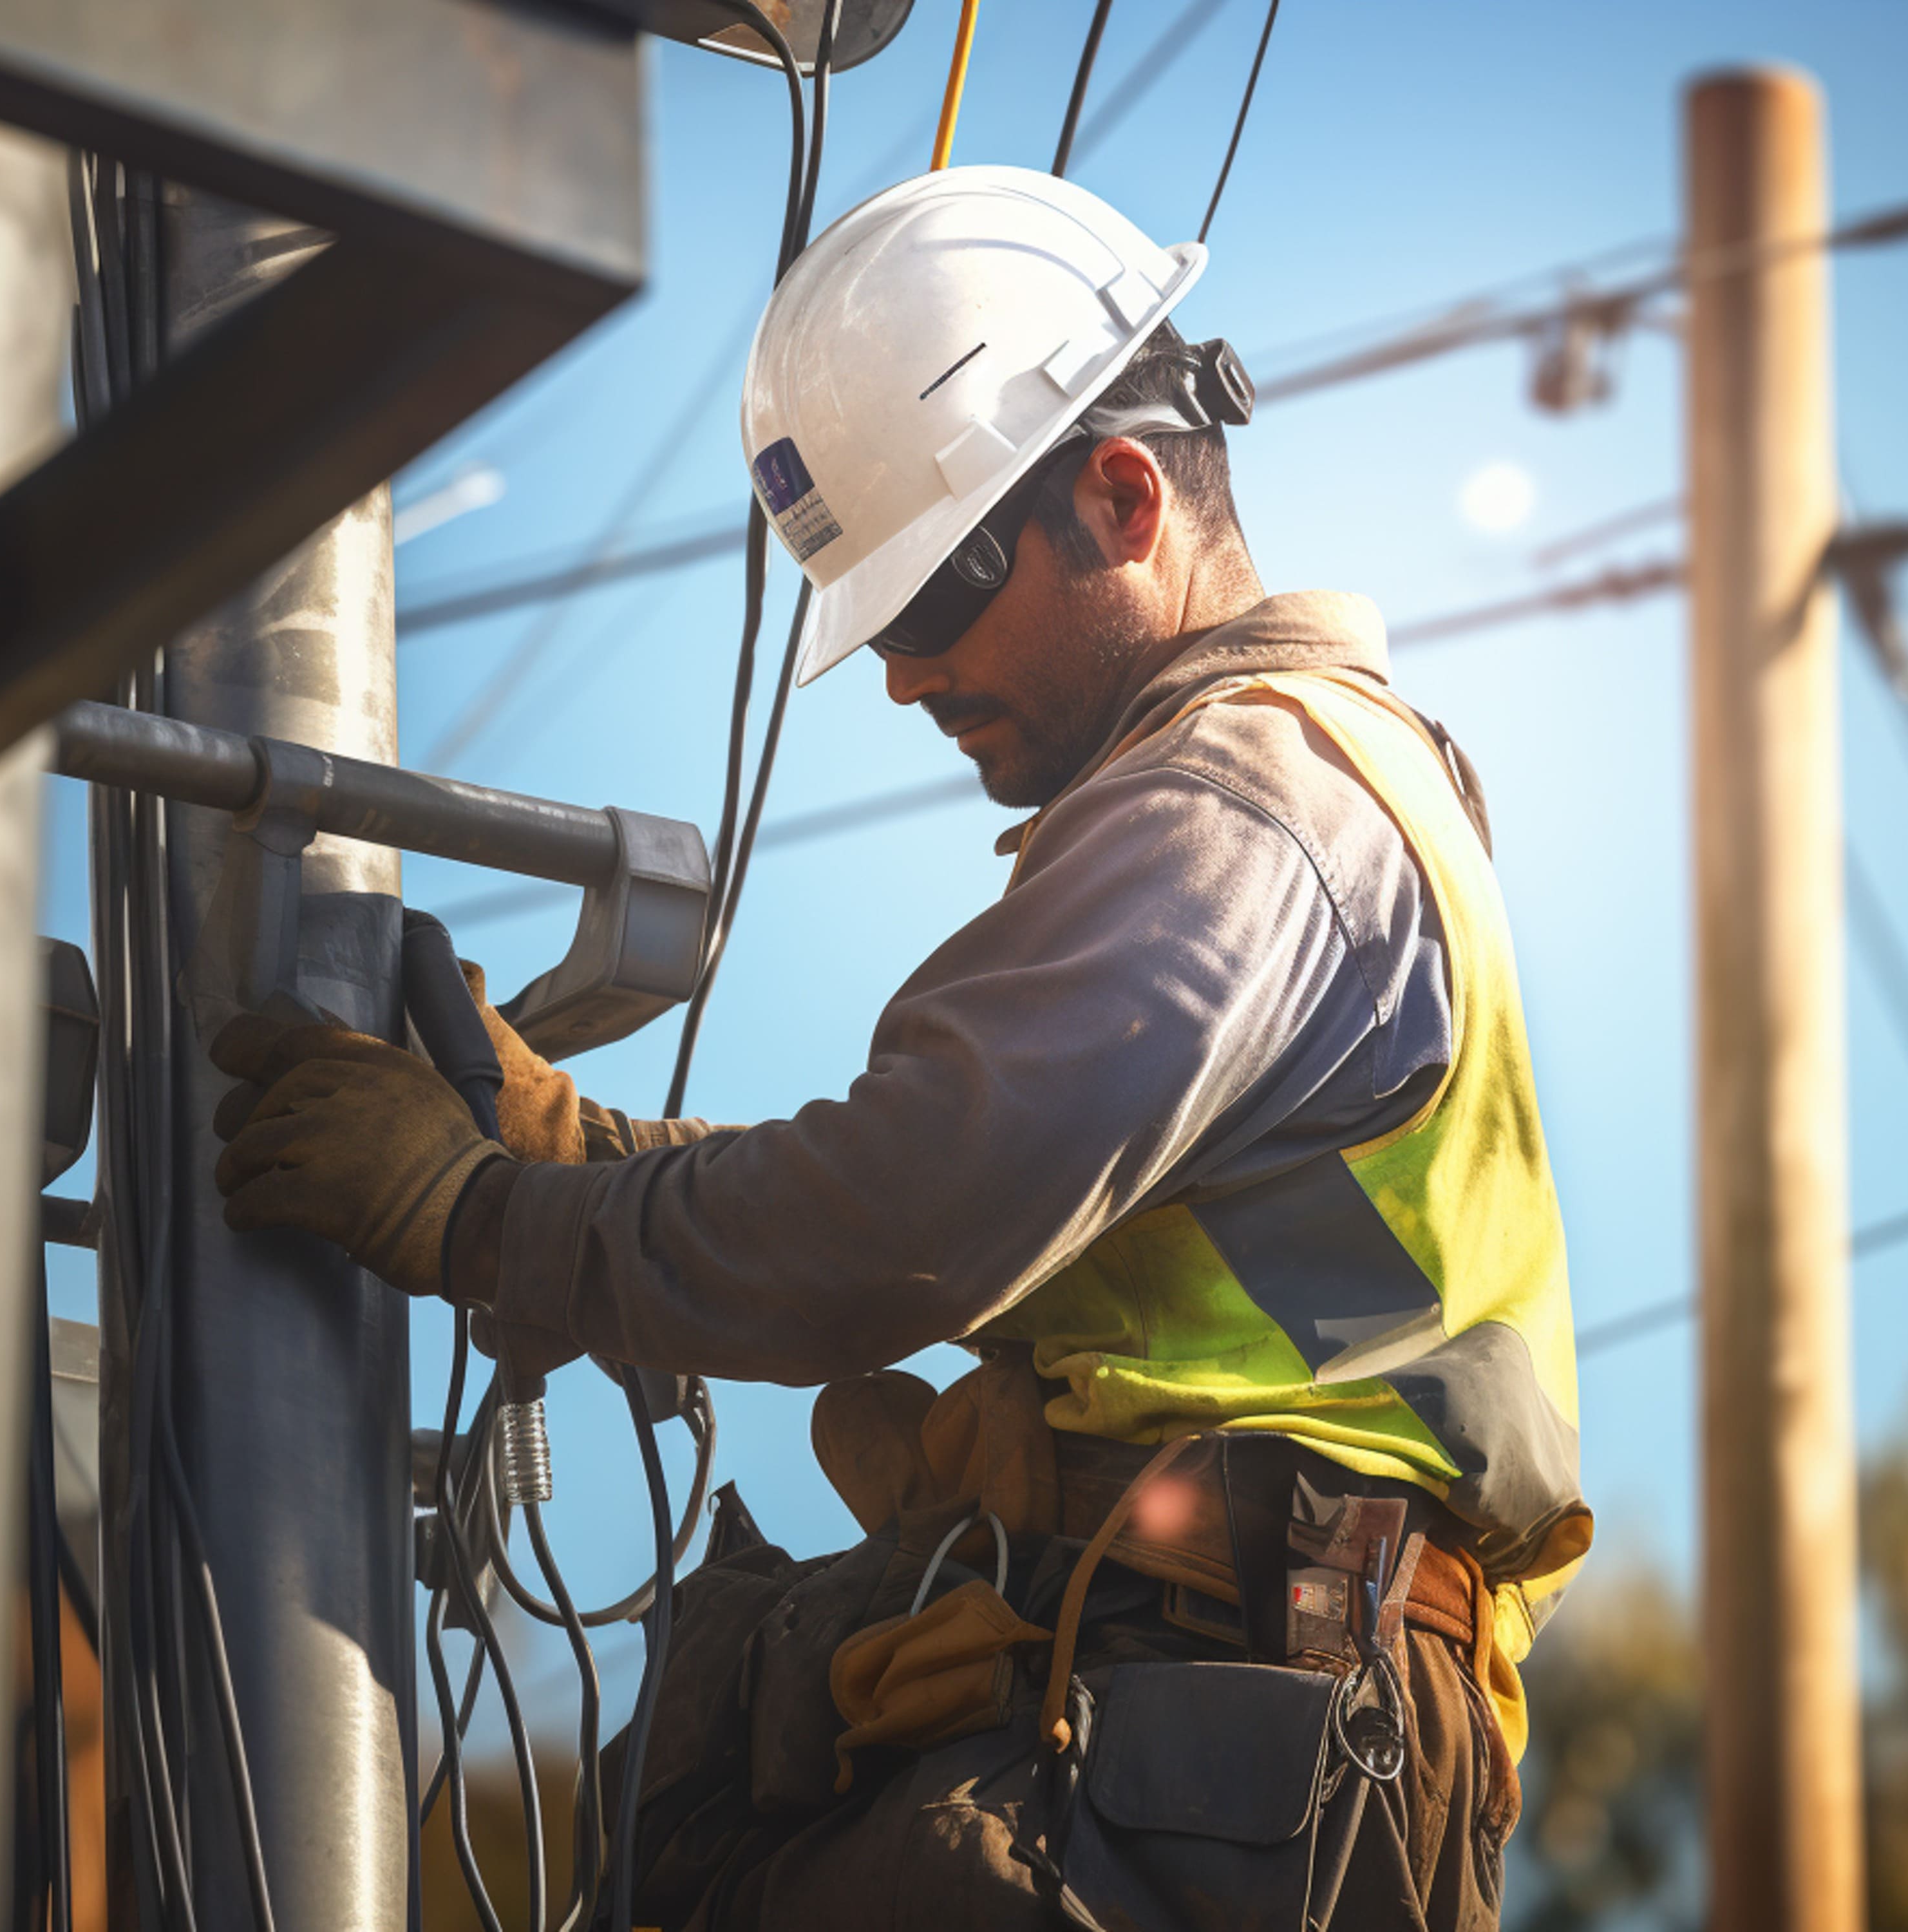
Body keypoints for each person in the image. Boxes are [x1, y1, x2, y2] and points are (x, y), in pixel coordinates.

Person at [207, 166, 1590, 1931]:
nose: (904, 682)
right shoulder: (1270, 808)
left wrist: (485, 1218)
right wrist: (577, 1155)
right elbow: (940, 1172)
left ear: (1120, 495)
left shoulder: (1249, 806)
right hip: (1203, 1732)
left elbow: (897, 1217)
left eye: (931, 601)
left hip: (1239, 1744)